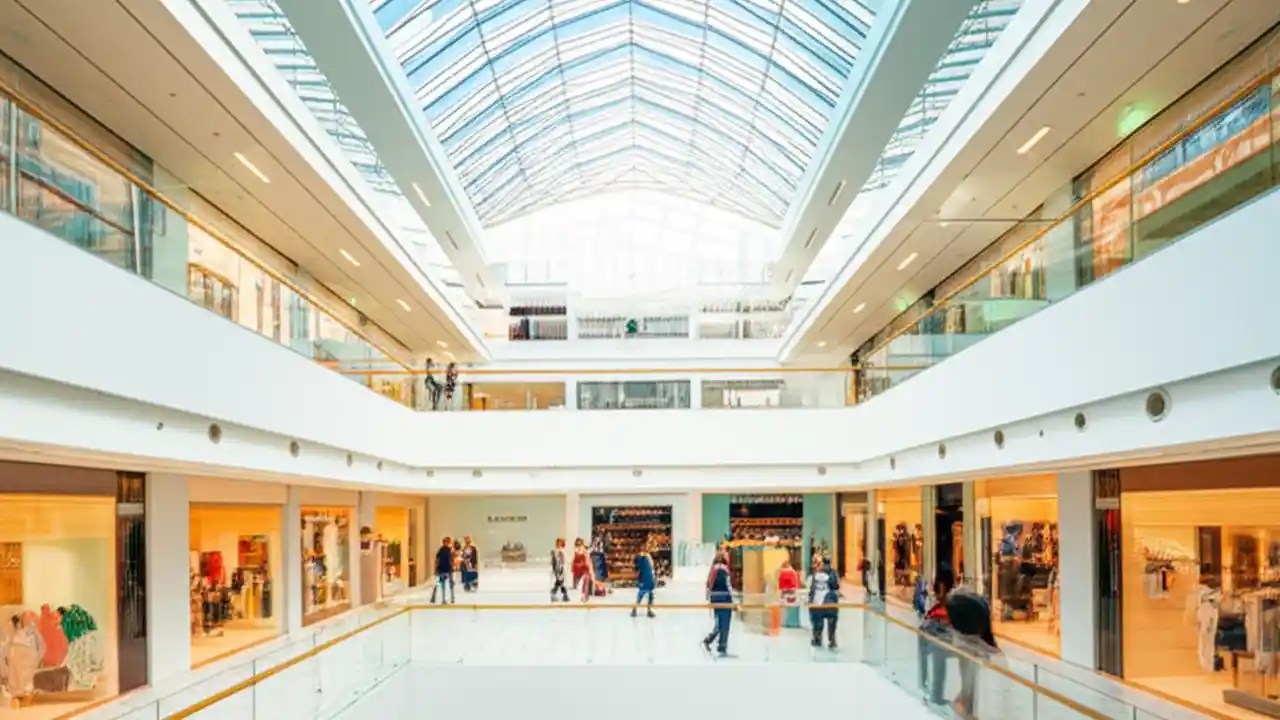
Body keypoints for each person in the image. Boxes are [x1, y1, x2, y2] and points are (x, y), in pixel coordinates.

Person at [946, 588, 999, 719]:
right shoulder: (973, 610)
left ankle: (966, 708)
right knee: (969, 676)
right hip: (966, 640)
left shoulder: (973, 609)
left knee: (970, 677)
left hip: (967, 638)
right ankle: (966, 709)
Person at [919, 565, 956, 706]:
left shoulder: (950, 604)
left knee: (936, 649)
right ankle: (928, 686)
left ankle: (931, 689)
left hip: (949, 639)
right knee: (931, 645)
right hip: (941, 636)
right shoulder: (939, 606)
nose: (934, 592)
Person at [702, 554, 734, 657]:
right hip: (725, 598)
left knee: (719, 621)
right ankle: (722, 645)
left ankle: (709, 639)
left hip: (715, 598)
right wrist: (732, 601)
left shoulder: (713, 570)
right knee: (725, 622)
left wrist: (709, 599)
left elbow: (708, 585)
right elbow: (728, 586)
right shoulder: (724, 570)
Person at [808, 557, 840, 649]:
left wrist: (810, 601)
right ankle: (831, 640)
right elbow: (835, 586)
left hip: (819, 603)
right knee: (831, 622)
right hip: (829, 603)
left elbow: (811, 589)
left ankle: (818, 638)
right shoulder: (832, 573)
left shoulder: (815, 574)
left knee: (818, 622)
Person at [632, 541, 657, 618]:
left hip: (648, 578)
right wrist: (637, 578)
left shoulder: (647, 556)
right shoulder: (640, 557)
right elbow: (637, 569)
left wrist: (653, 576)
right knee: (642, 594)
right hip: (644, 578)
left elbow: (652, 567)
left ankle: (648, 610)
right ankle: (635, 609)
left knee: (650, 595)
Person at [430, 536, 454, 604]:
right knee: (438, 584)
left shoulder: (450, 550)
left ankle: (451, 598)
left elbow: (451, 560)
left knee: (450, 584)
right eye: (445, 542)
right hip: (441, 570)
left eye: (447, 542)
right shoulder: (441, 550)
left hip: (448, 570)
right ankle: (435, 598)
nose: (446, 543)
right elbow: (437, 560)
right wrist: (436, 570)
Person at [571, 538, 592, 602]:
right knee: (576, 583)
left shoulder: (584, 550)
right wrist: (572, 566)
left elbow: (587, 559)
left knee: (585, 581)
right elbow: (574, 559)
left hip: (584, 567)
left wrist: (589, 567)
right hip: (578, 567)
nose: (578, 545)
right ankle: (584, 596)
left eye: (579, 543)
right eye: (577, 544)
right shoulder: (576, 550)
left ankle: (585, 596)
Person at [550, 538, 569, 602]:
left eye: (559, 543)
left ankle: (561, 594)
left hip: (561, 568)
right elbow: (554, 562)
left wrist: (562, 569)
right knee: (560, 582)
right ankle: (564, 595)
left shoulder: (561, 551)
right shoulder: (557, 551)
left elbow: (563, 561)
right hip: (558, 568)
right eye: (557, 543)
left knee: (560, 582)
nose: (558, 544)